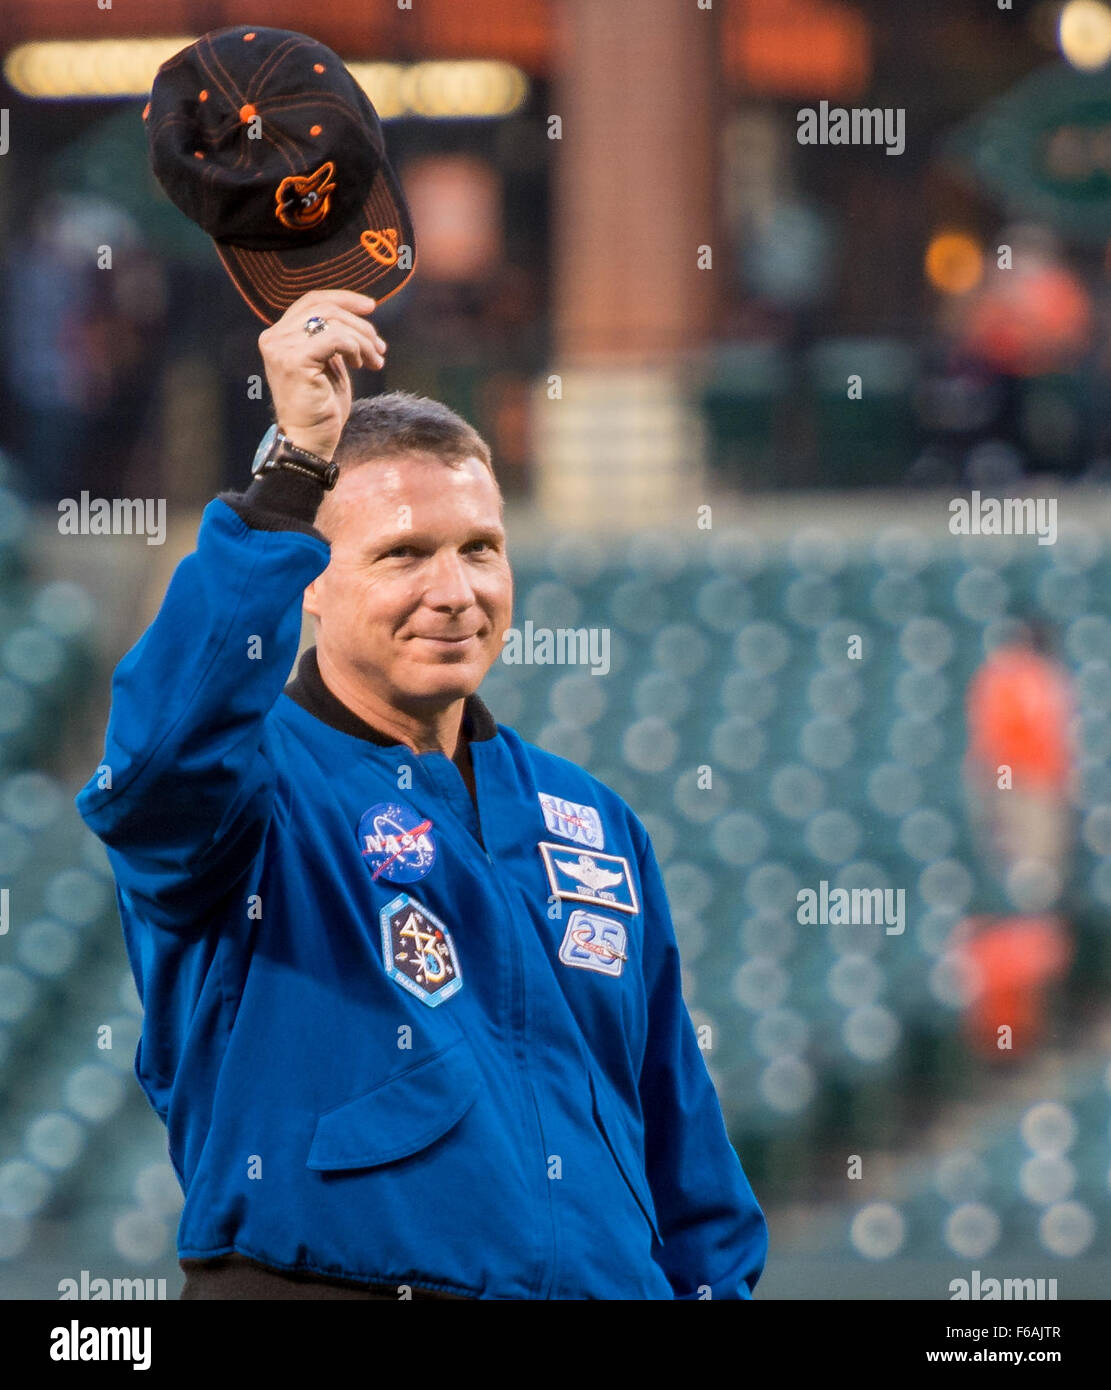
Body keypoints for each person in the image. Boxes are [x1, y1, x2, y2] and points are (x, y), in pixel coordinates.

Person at [75, 288, 768, 1300]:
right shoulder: (252, 790)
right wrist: (290, 477)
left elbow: (684, 1158)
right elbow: (153, 769)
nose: (455, 591)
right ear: (308, 577)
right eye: (403, 554)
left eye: (480, 548)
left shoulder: (592, 820)